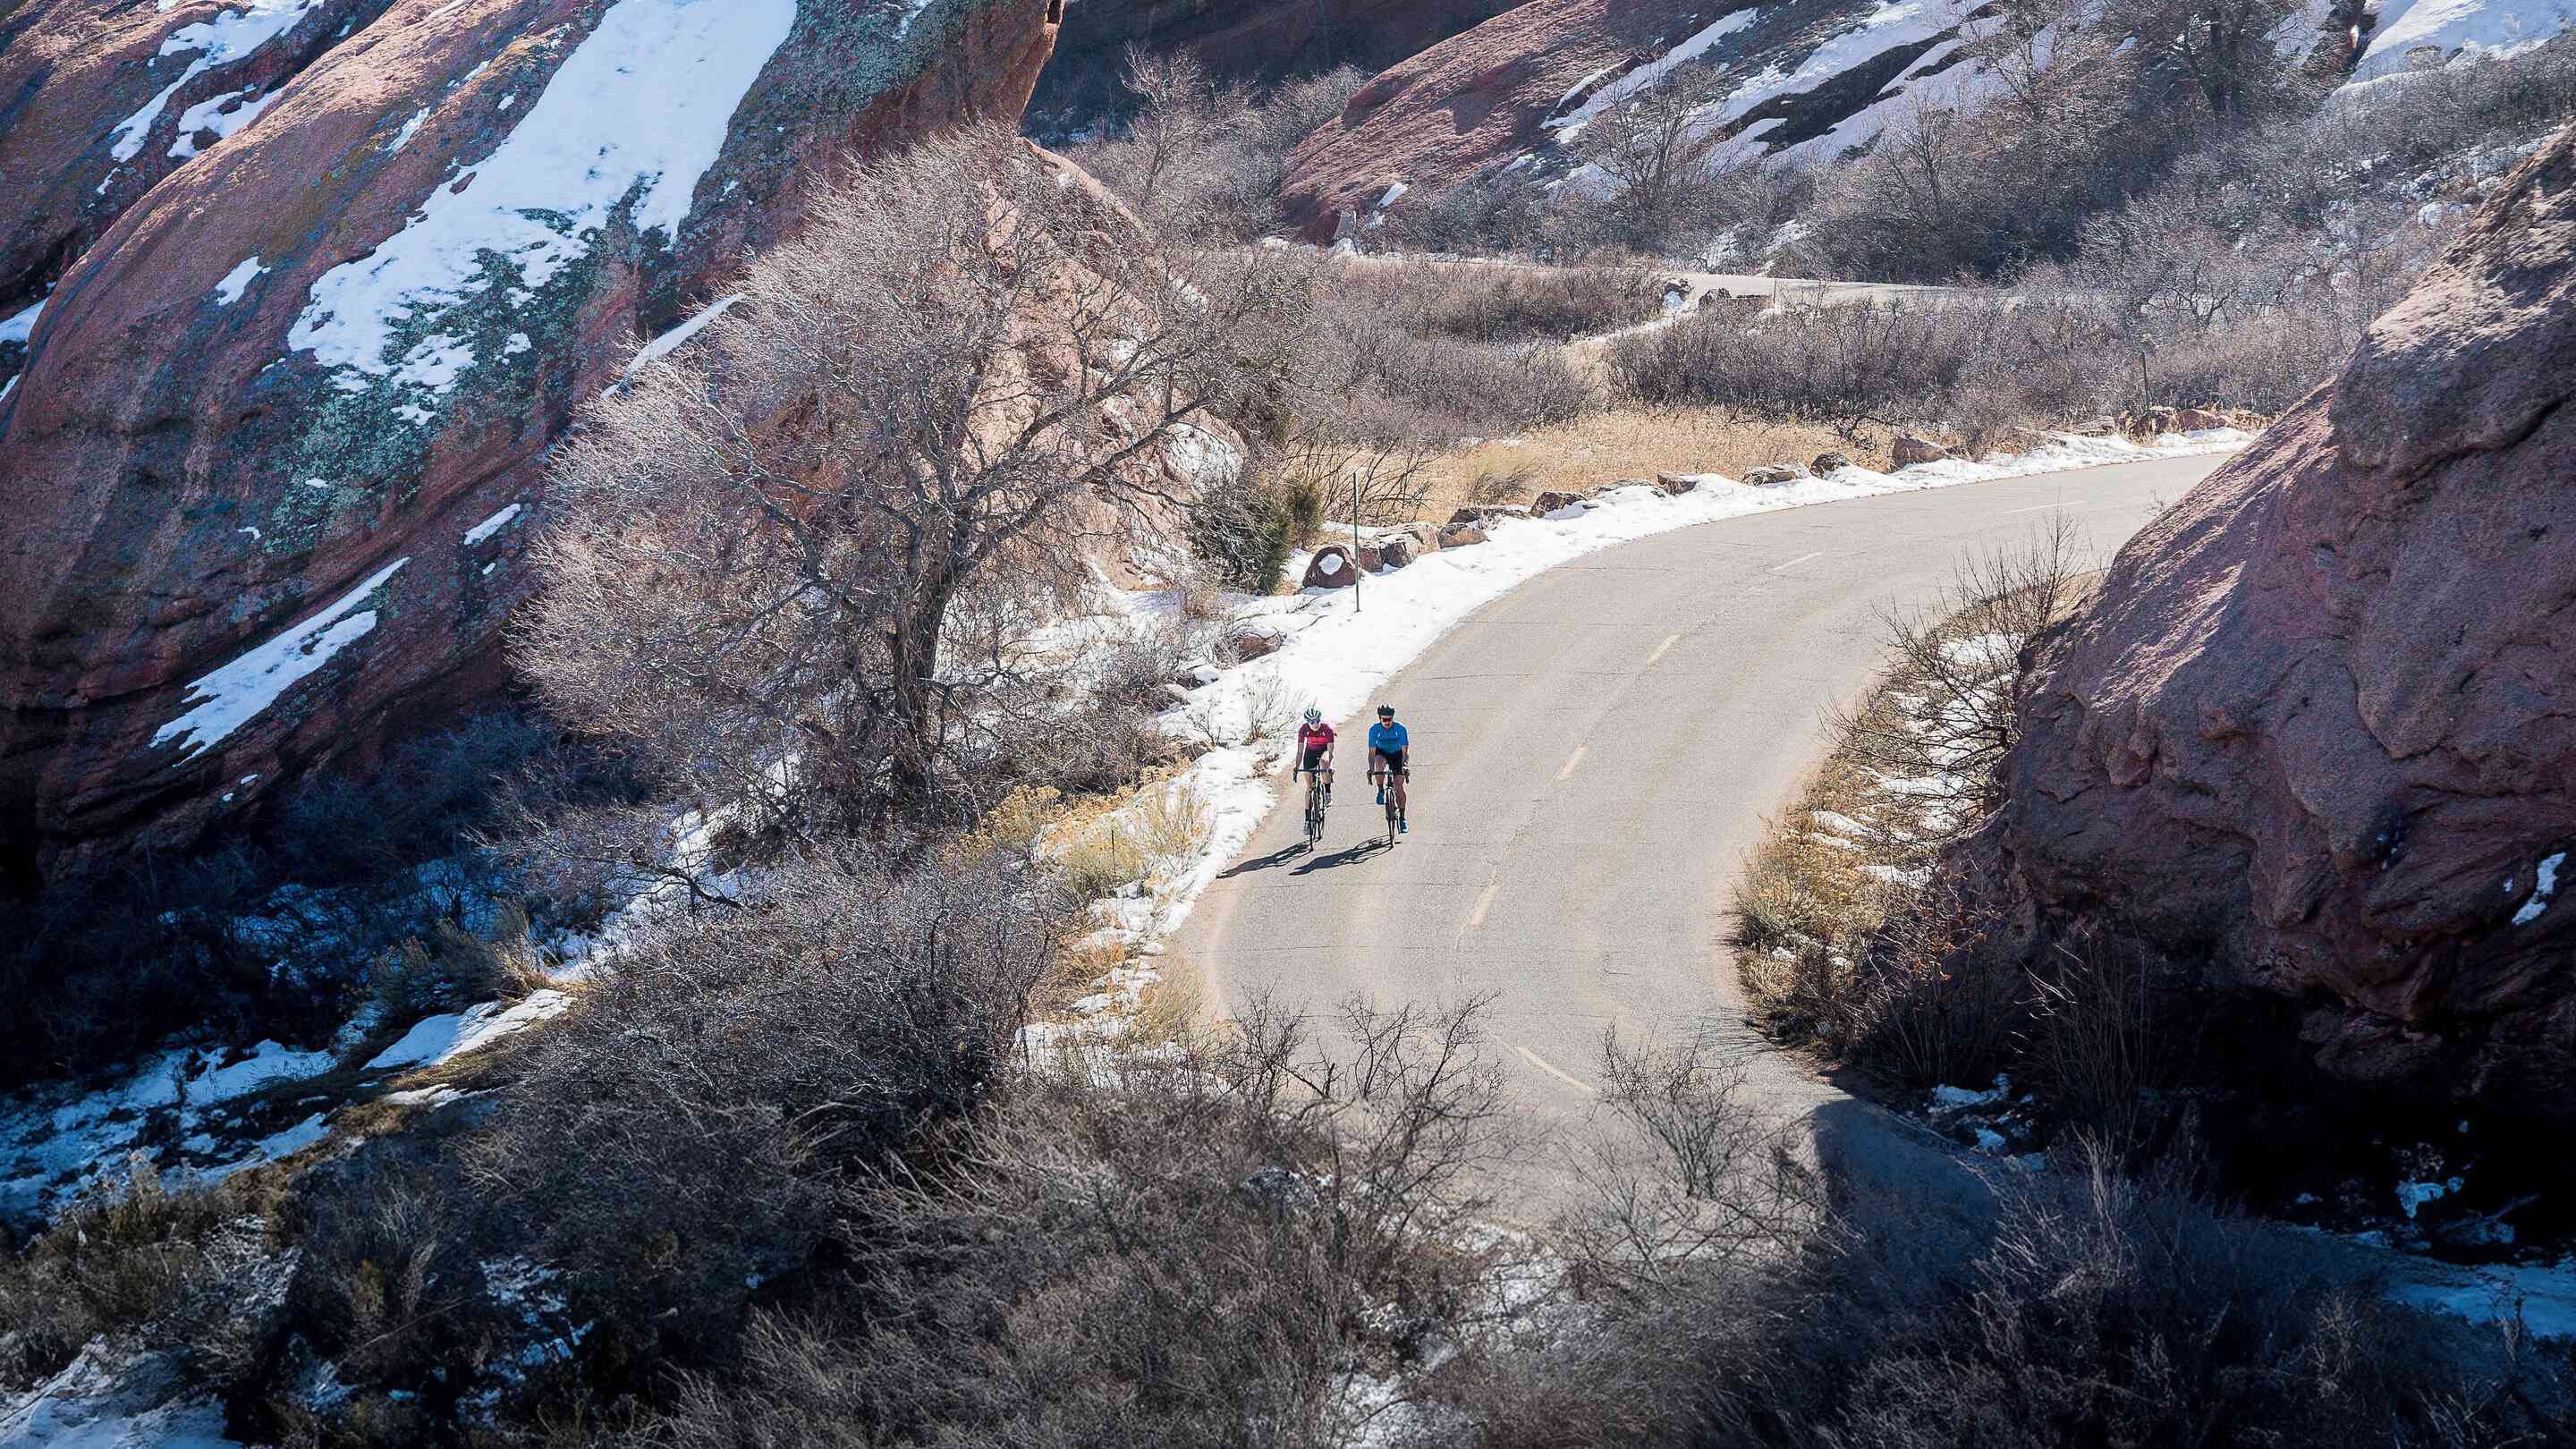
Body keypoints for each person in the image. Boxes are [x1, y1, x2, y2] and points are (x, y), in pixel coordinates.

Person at [1367, 704, 1410, 833]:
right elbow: (1372, 752)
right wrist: (1371, 769)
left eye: (1389, 719)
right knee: (1379, 764)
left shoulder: (1400, 728)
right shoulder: (1374, 729)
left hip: (1397, 754)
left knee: (1399, 787)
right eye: (1384, 720)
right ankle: (1381, 790)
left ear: (1393, 718)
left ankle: (1402, 818)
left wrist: (1404, 765)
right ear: (1379, 718)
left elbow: (1405, 751)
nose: (1387, 722)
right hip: (1382, 752)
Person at [1294, 708, 1335, 805]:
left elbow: (1330, 751)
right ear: (1307, 722)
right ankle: (1309, 812)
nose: (1315, 724)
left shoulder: (1327, 729)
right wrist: (1297, 766)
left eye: (1317, 720)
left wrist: (1330, 766)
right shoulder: (1304, 729)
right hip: (1310, 752)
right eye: (1312, 722)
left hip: (1324, 750)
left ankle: (1328, 792)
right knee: (1309, 784)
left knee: (1324, 764)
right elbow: (1300, 751)